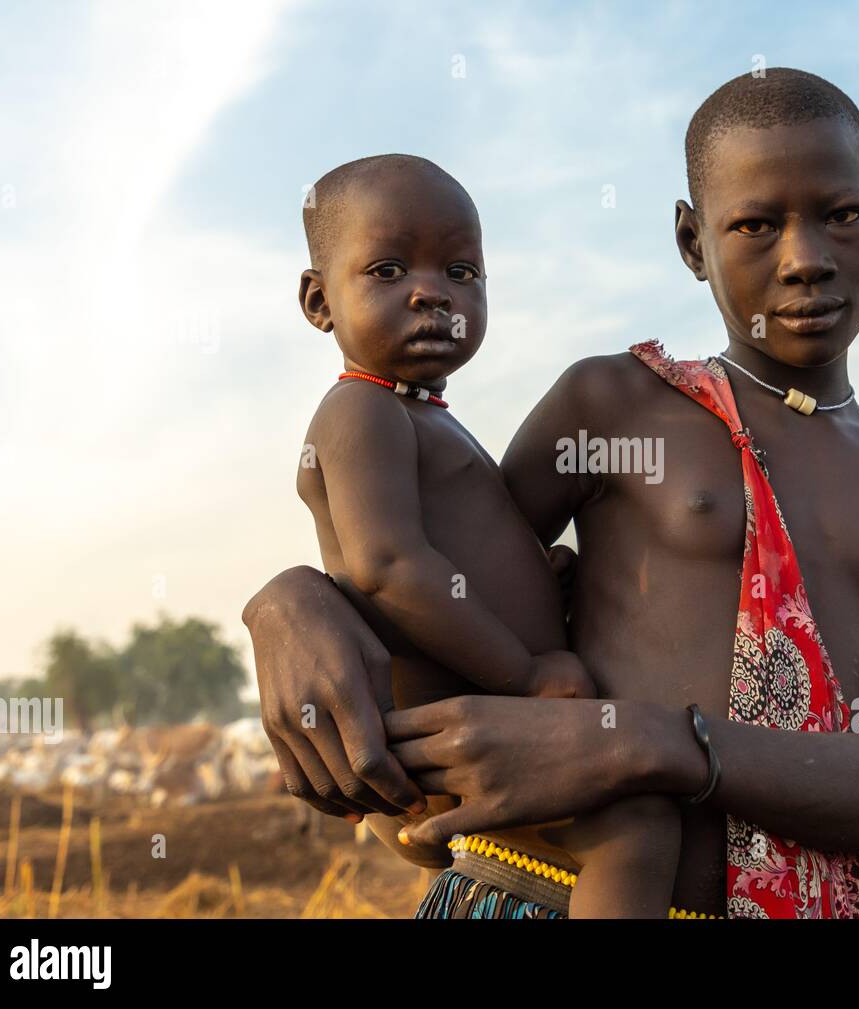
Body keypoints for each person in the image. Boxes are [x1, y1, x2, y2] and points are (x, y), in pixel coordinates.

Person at [244, 68, 859, 919]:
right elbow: (437, 579)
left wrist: (653, 744)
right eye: (753, 224)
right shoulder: (610, 404)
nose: (806, 260)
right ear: (690, 241)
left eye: (843, 214)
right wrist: (288, 602)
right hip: (538, 891)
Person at [286, 153, 680, 917]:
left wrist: (540, 573)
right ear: (318, 299)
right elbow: (386, 567)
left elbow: (461, 551)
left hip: (467, 719)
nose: (431, 291)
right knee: (634, 819)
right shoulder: (358, 412)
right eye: (389, 269)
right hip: (443, 730)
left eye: (462, 272)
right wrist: (526, 673)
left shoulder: (422, 414)